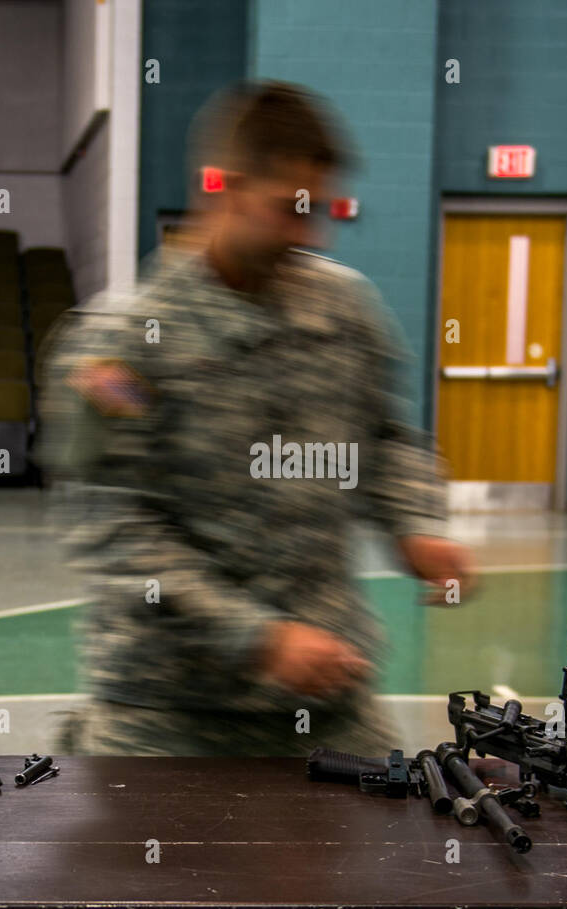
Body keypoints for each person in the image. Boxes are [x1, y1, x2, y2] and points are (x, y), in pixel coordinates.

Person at [37, 79, 475, 756]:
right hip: (167, 712)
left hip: (325, 694)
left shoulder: (344, 310)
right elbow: (113, 529)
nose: (312, 231)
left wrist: (415, 525)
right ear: (224, 188)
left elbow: (386, 439)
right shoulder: (120, 345)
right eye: (291, 209)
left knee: (404, 839)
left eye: (320, 209)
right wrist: (257, 637)